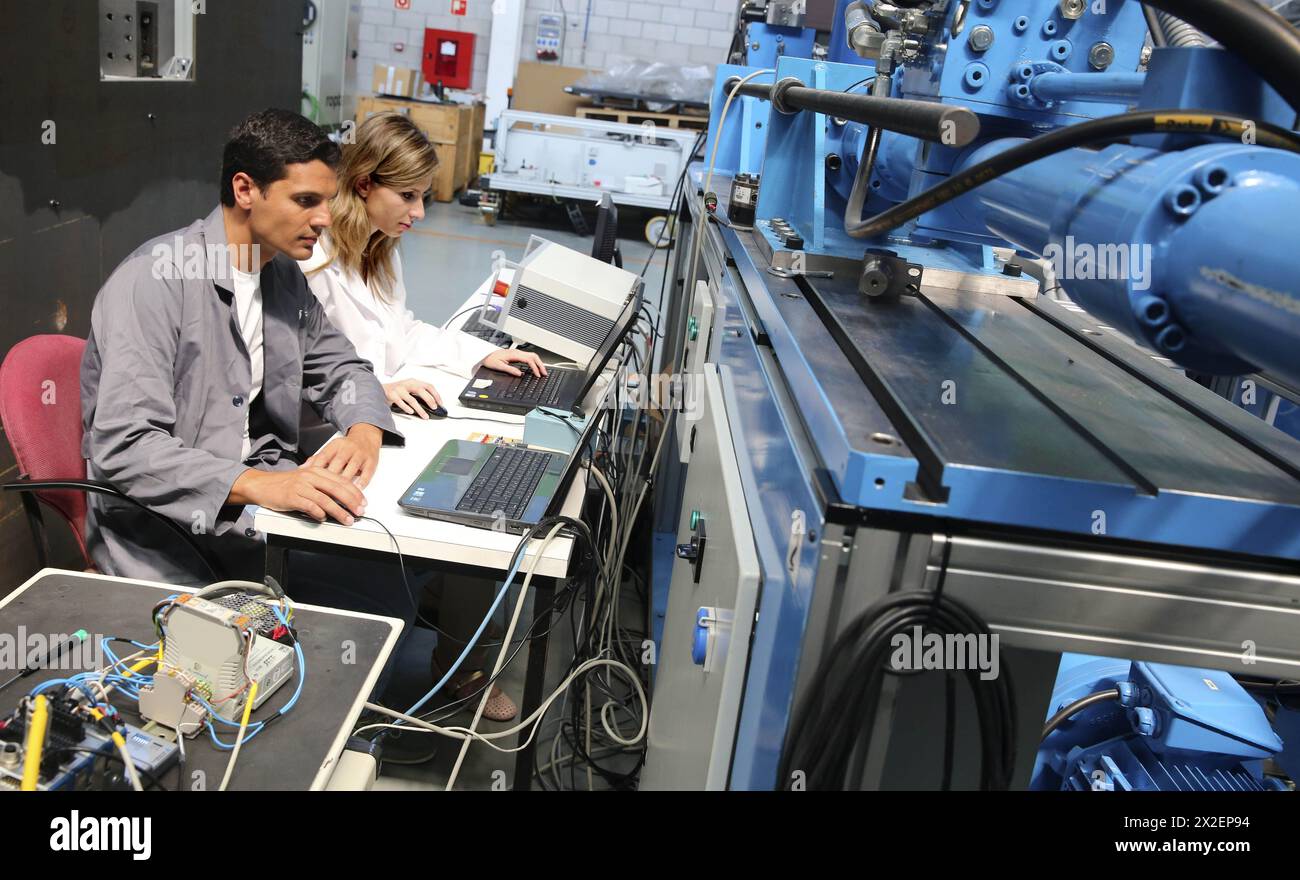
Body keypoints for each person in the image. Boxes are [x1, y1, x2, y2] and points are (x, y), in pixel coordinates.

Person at [81, 108, 416, 691]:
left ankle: (353, 750)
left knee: (391, 595)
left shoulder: (282, 278)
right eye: (307, 200)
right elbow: (124, 447)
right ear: (245, 190)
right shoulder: (155, 284)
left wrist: (364, 430)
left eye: (328, 201)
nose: (325, 219)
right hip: (164, 534)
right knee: (273, 675)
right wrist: (261, 484)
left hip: (250, 521)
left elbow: (343, 367)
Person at [299, 112, 539, 721]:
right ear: (362, 185)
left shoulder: (379, 251)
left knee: (485, 486)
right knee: (472, 513)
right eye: (406, 196)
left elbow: (402, 332)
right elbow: (303, 371)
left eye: (424, 198)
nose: (420, 212)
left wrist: (484, 353)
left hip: (381, 422)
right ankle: (456, 665)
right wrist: (378, 387)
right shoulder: (312, 260)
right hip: (328, 439)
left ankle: (450, 636)